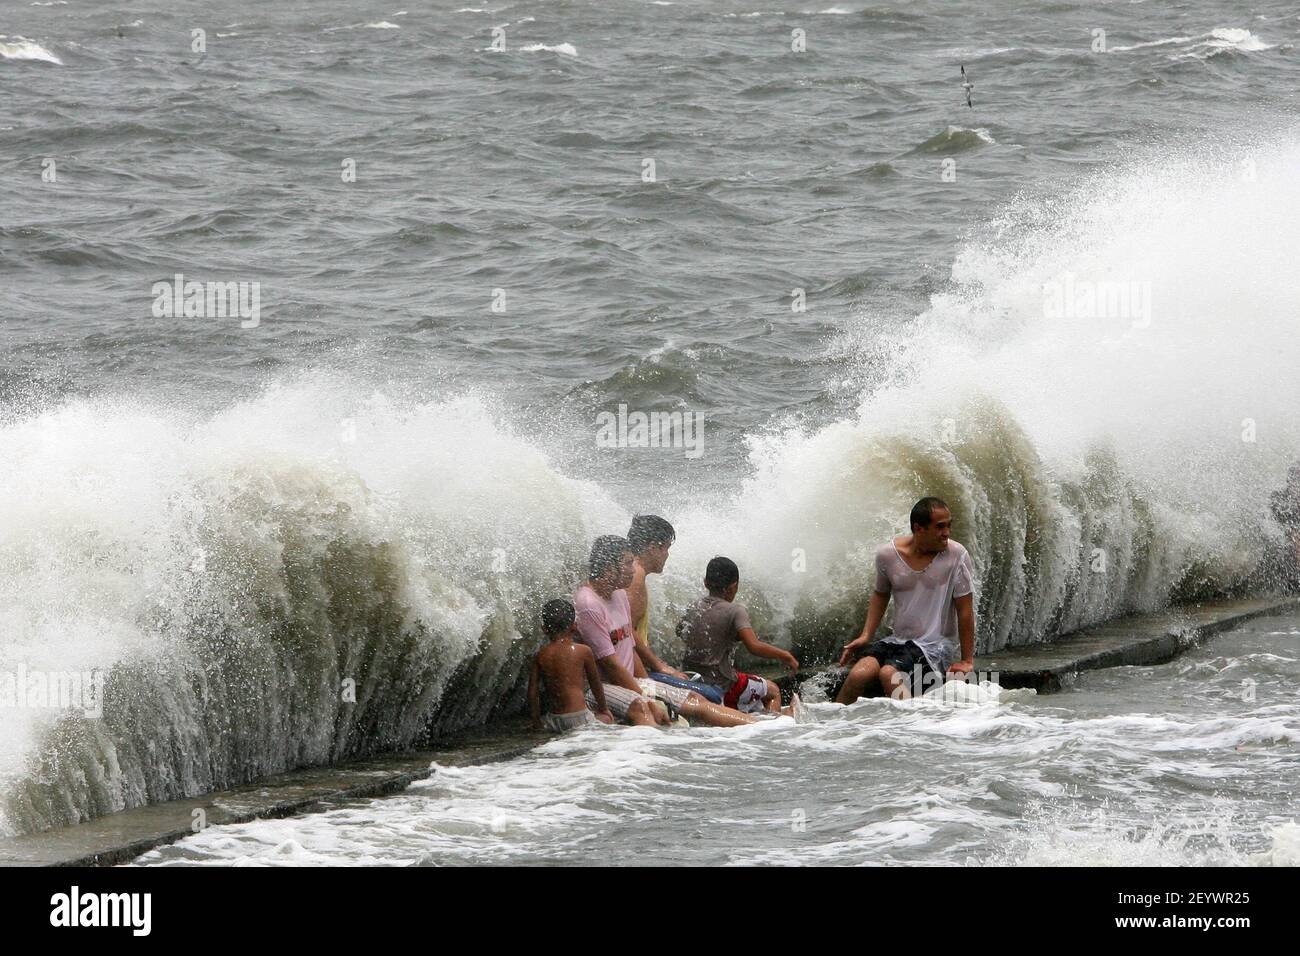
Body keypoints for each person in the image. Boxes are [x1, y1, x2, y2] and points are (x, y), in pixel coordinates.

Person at [574, 536, 763, 728]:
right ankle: (652, 756)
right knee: (644, 708)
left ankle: (766, 727)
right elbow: (611, 665)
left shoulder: (619, 594)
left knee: (695, 698)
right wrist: (648, 699)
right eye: (628, 563)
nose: (633, 569)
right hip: (601, 686)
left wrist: (648, 684)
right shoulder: (589, 604)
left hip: (628, 680)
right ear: (608, 567)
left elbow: (630, 647)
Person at [836, 497, 976, 704]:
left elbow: (965, 610)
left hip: (932, 645)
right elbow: (880, 594)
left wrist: (966, 661)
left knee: (888, 674)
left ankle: (912, 729)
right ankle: (831, 727)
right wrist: (866, 635)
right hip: (897, 641)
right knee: (859, 674)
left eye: (948, 525)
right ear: (919, 529)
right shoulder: (887, 555)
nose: (946, 533)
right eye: (939, 527)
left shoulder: (956, 555)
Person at [677, 556, 800, 714]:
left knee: (755, 699)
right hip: (722, 685)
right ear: (733, 586)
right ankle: (774, 725)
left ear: (705, 582)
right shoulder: (735, 610)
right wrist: (785, 656)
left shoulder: (694, 607)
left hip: (693, 678)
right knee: (772, 691)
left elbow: (681, 631)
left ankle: (758, 716)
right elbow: (753, 646)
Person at [626, 514, 723, 704]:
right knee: (712, 696)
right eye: (666, 548)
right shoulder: (635, 576)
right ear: (653, 548)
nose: (667, 555)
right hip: (632, 672)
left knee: (707, 688)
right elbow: (627, 631)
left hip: (637, 668)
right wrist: (659, 667)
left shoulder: (635, 573)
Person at [528, 599, 615, 733]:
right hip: (578, 718)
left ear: (544, 630)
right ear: (574, 626)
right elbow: (595, 683)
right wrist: (604, 709)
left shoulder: (541, 655)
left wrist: (536, 722)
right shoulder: (583, 651)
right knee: (606, 719)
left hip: (554, 720)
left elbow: (533, 692)